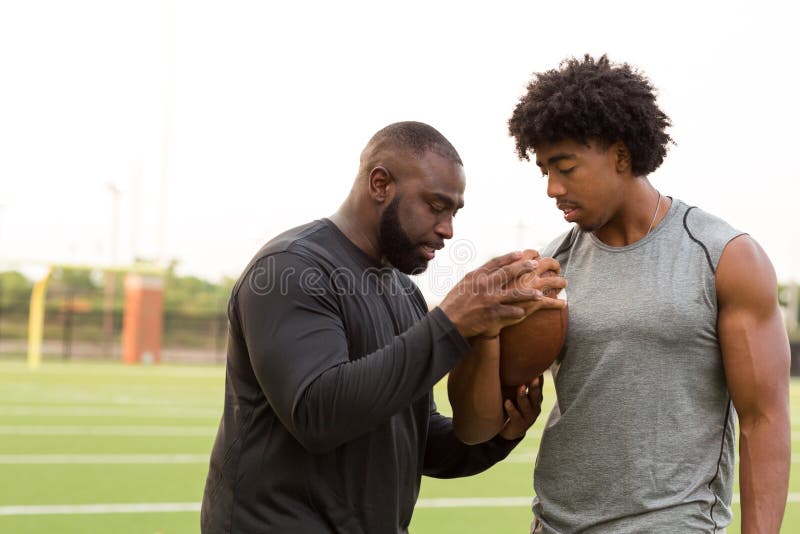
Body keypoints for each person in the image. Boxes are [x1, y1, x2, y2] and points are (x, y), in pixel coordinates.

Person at [452, 55, 791, 533]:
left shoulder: (723, 256)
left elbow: (764, 419)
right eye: (545, 169)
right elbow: (477, 428)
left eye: (565, 167)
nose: (552, 188)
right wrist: (485, 335)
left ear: (621, 156)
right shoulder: (551, 271)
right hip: (554, 524)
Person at [200, 121, 565, 533]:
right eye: (435, 205)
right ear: (379, 184)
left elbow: (417, 443)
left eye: (454, 212)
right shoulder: (292, 269)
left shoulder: (404, 293)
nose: (448, 229)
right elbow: (318, 415)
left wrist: (503, 432)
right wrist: (451, 323)